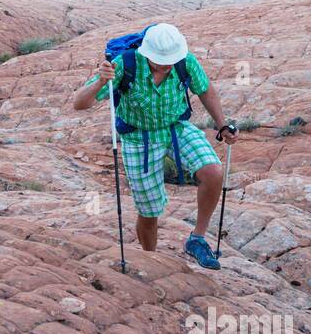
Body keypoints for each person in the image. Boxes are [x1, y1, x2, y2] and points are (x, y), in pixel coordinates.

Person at [71, 23, 236, 270]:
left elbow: (205, 90)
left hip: (176, 128)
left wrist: (222, 125)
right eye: (162, 60)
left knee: (213, 172)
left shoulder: (184, 61)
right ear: (148, 54)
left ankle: (197, 239)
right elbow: (79, 103)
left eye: (172, 59)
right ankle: (152, 258)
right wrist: (99, 82)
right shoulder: (124, 65)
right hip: (139, 139)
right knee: (149, 211)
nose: (168, 64)